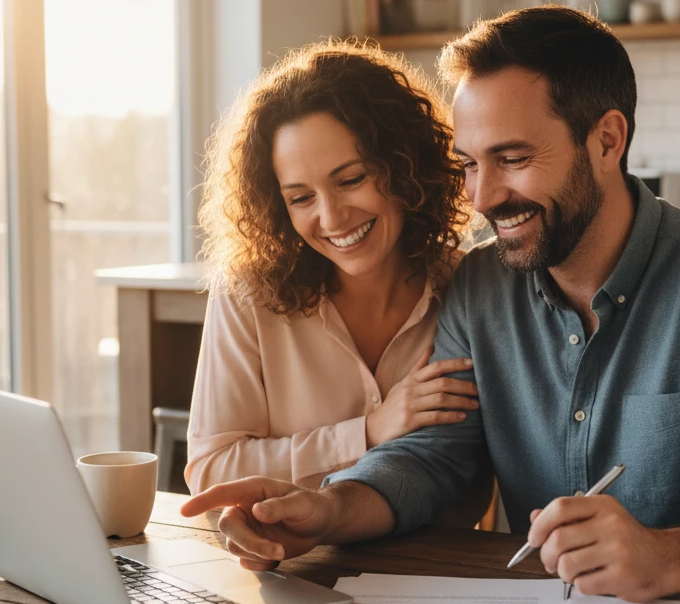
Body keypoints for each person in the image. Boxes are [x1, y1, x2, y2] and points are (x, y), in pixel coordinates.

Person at [182, 7, 680, 600]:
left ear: (607, 140)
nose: (483, 198)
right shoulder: (479, 287)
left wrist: (674, 555)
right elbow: (433, 459)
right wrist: (329, 508)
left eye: (512, 159)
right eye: (469, 165)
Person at [185, 41, 486, 522]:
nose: (332, 218)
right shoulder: (247, 292)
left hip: (433, 560)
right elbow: (212, 473)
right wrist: (368, 431)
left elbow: (473, 481)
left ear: (405, 166)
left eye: (351, 180)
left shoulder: (467, 287)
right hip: (288, 559)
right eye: (301, 198)